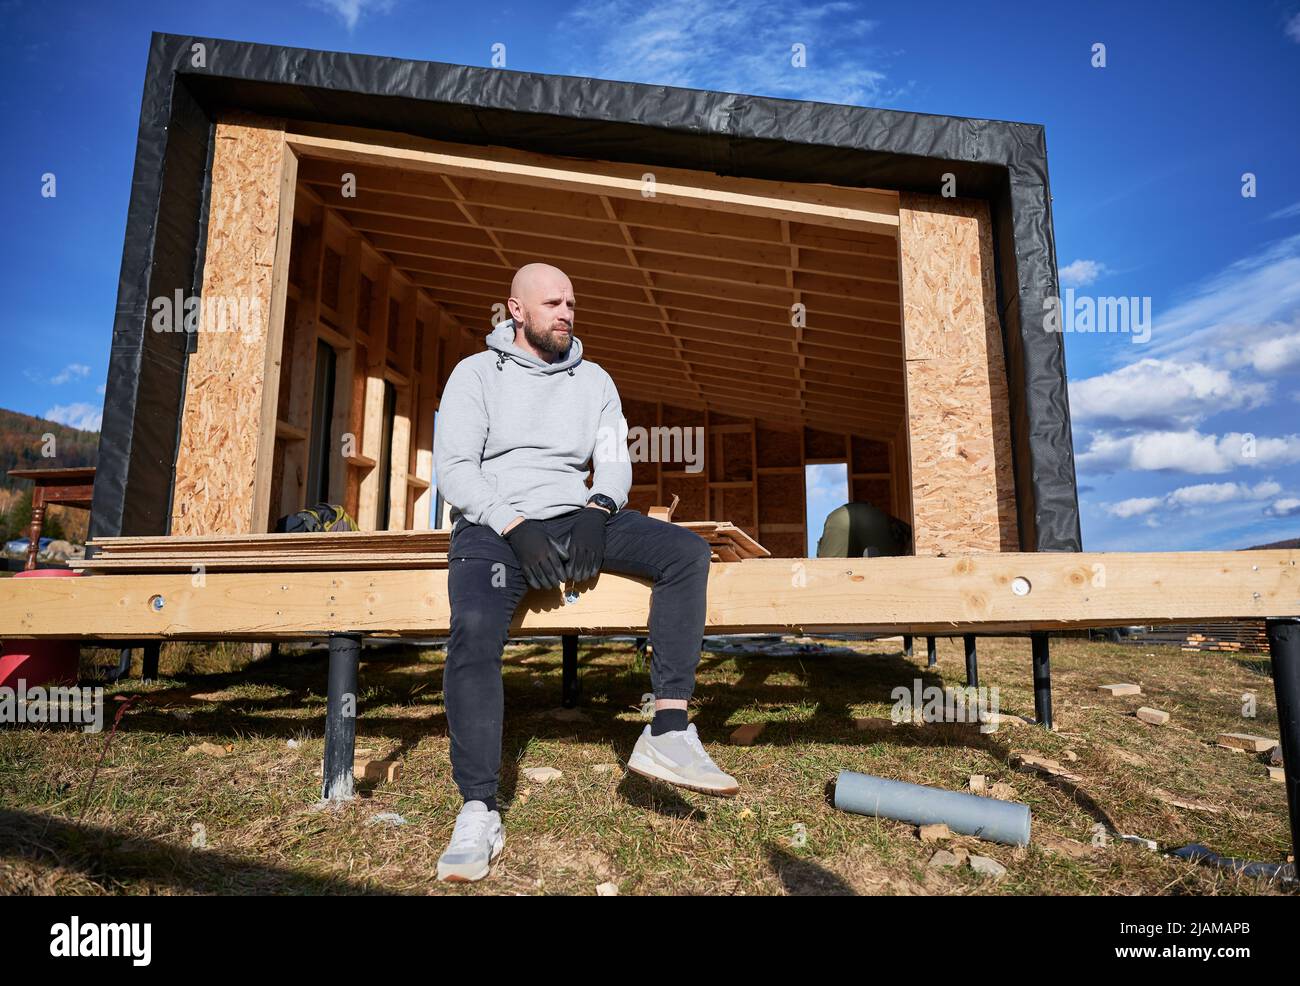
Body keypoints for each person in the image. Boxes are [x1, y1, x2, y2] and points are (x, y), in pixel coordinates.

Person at [431, 262, 739, 882]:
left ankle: (669, 729)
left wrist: (600, 509)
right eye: (552, 303)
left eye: (571, 302)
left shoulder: (594, 378)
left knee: (687, 554)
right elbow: (456, 469)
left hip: (577, 514)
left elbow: (613, 463)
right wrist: (514, 527)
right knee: (473, 630)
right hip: (495, 524)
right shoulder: (475, 374)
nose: (566, 313)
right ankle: (478, 808)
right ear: (515, 311)